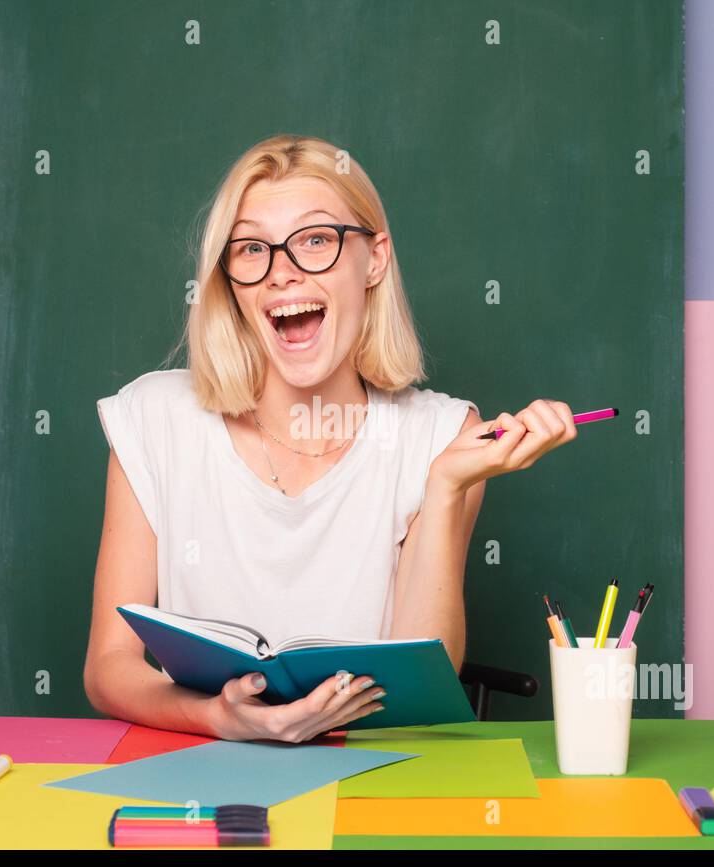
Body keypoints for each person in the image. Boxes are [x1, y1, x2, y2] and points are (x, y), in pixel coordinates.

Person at [85, 134, 577, 741]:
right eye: (250, 248)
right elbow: (109, 668)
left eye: (315, 240)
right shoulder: (155, 419)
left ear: (375, 259)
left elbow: (423, 680)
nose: (282, 273)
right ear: (230, 281)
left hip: (372, 783)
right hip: (203, 777)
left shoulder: (443, 439)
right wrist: (220, 717)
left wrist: (446, 484)